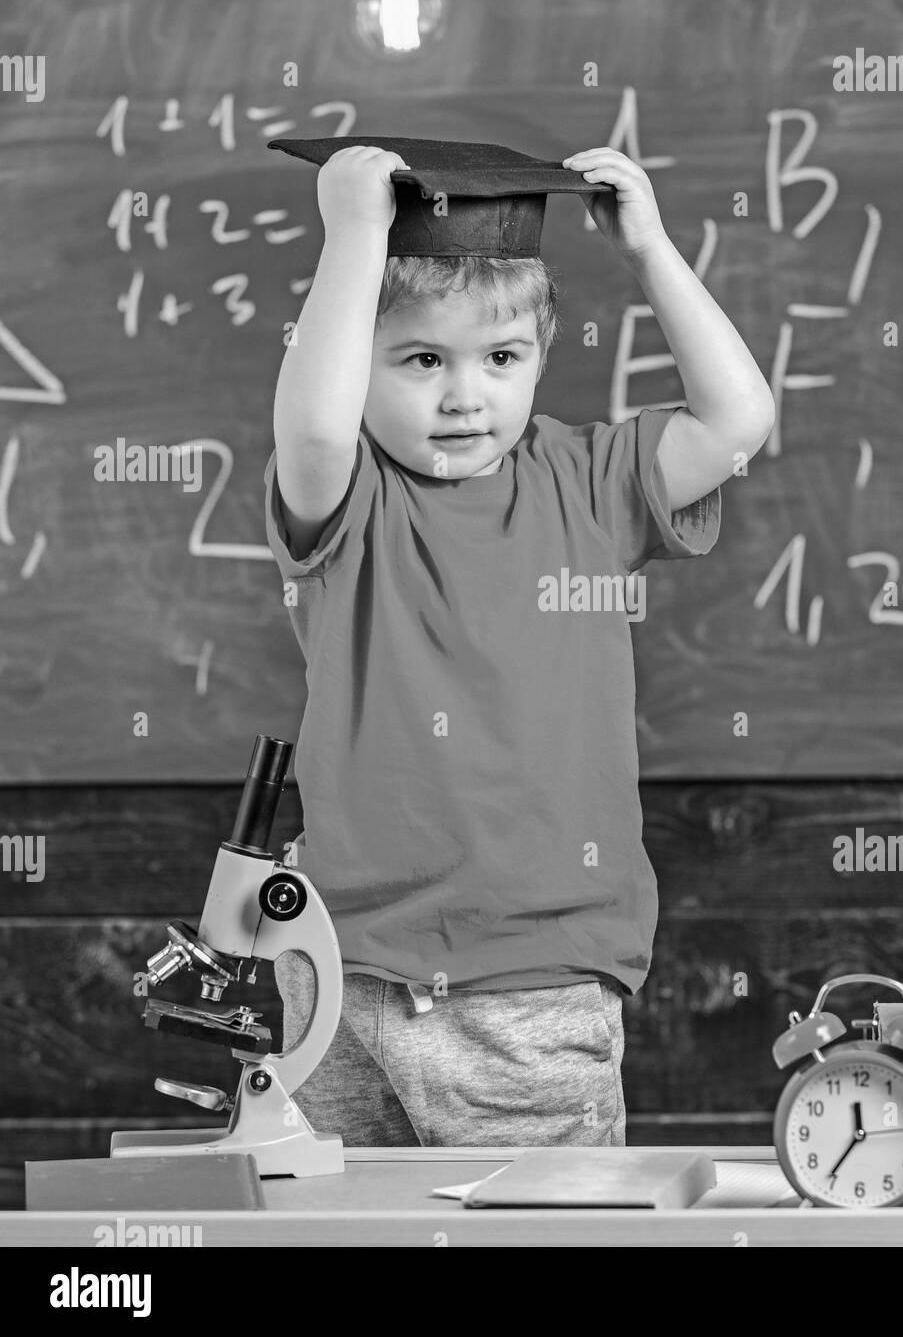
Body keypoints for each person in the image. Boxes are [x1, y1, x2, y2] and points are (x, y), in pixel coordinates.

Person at [262, 136, 775, 1147]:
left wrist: (650, 250)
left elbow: (737, 417)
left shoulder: (590, 482)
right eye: (418, 360)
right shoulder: (350, 498)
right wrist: (353, 235)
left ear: (541, 355)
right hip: (335, 971)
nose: (464, 396)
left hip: (531, 992)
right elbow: (315, 432)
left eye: (500, 359)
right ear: (353, 363)